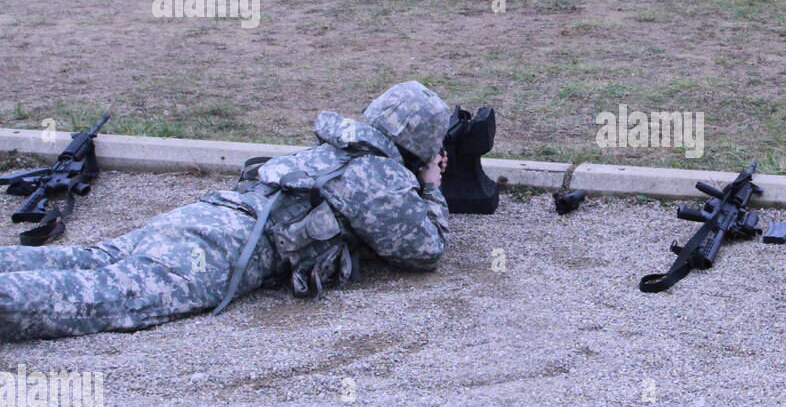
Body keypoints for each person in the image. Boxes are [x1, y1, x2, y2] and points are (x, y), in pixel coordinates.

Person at [0, 81, 452, 340]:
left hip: (205, 216)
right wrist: (431, 186)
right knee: (93, 299)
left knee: (88, 260)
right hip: (215, 254)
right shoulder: (378, 175)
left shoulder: (338, 148)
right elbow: (422, 251)